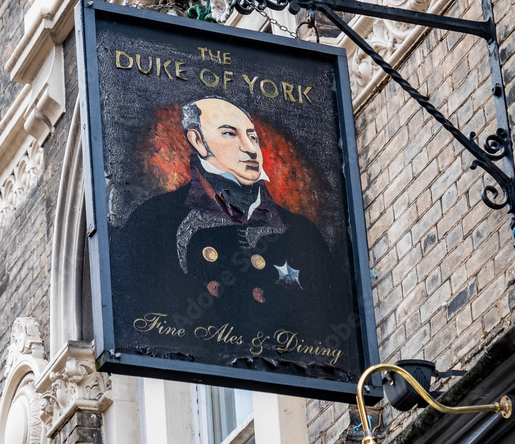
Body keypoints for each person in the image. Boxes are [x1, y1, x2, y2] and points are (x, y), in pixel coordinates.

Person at [113, 97, 353, 375]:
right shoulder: (154, 222)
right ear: (198, 140)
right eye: (230, 133)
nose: (250, 148)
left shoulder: (301, 231)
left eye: (253, 137)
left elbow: (332, 330)